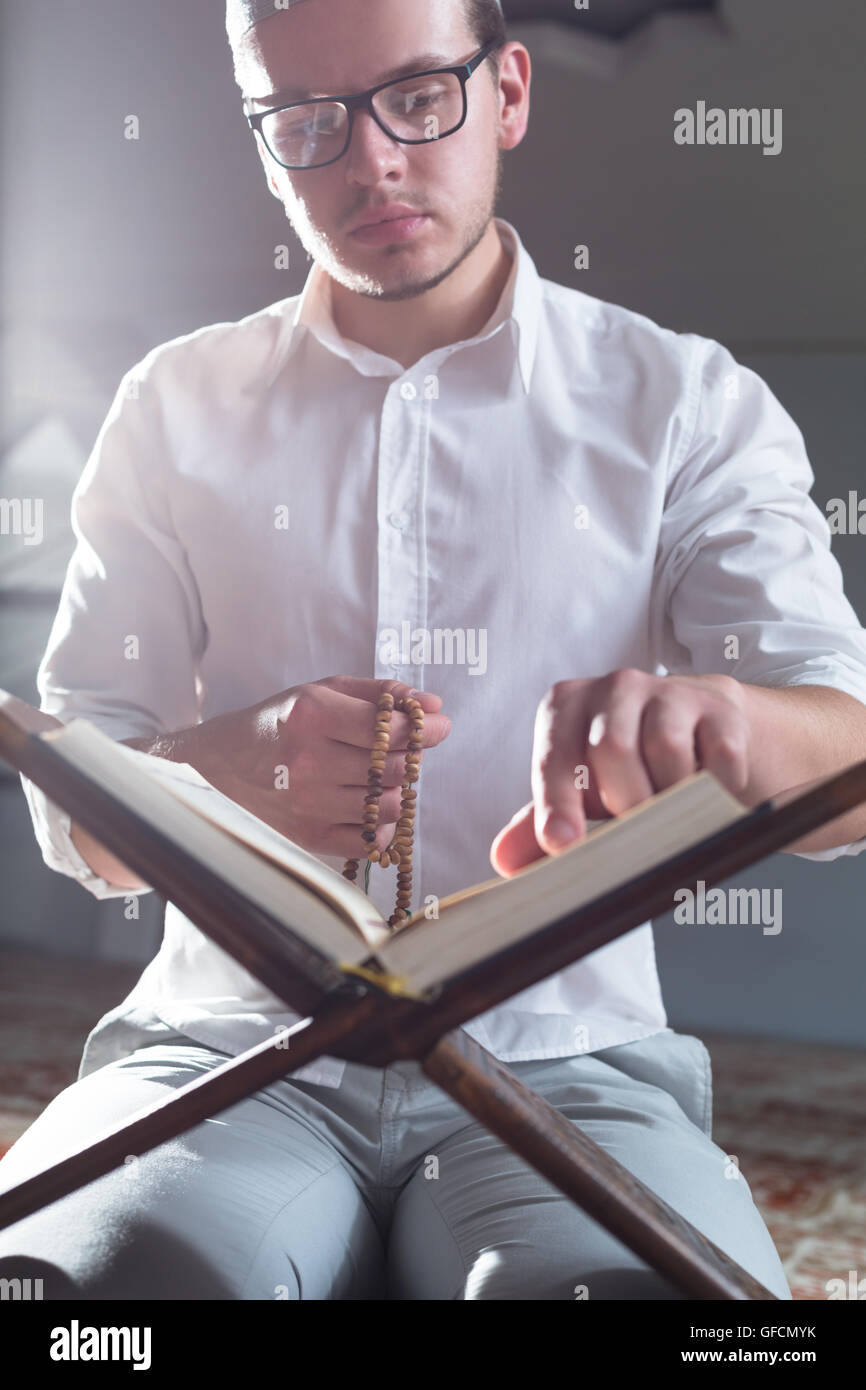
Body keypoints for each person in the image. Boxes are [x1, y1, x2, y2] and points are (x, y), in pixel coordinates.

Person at [1, 0, 865, 1301]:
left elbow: (844, 745)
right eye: (303, 121)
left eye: (416, 98)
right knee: (81, 1307)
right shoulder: (170, 407)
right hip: (227, 1056)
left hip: (566, 1063)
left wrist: (722, 729)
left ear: (507, 90)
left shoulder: (683, 402)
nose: (369, 162)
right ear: (261, 136)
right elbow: (80, 816)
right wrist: (232, 769)